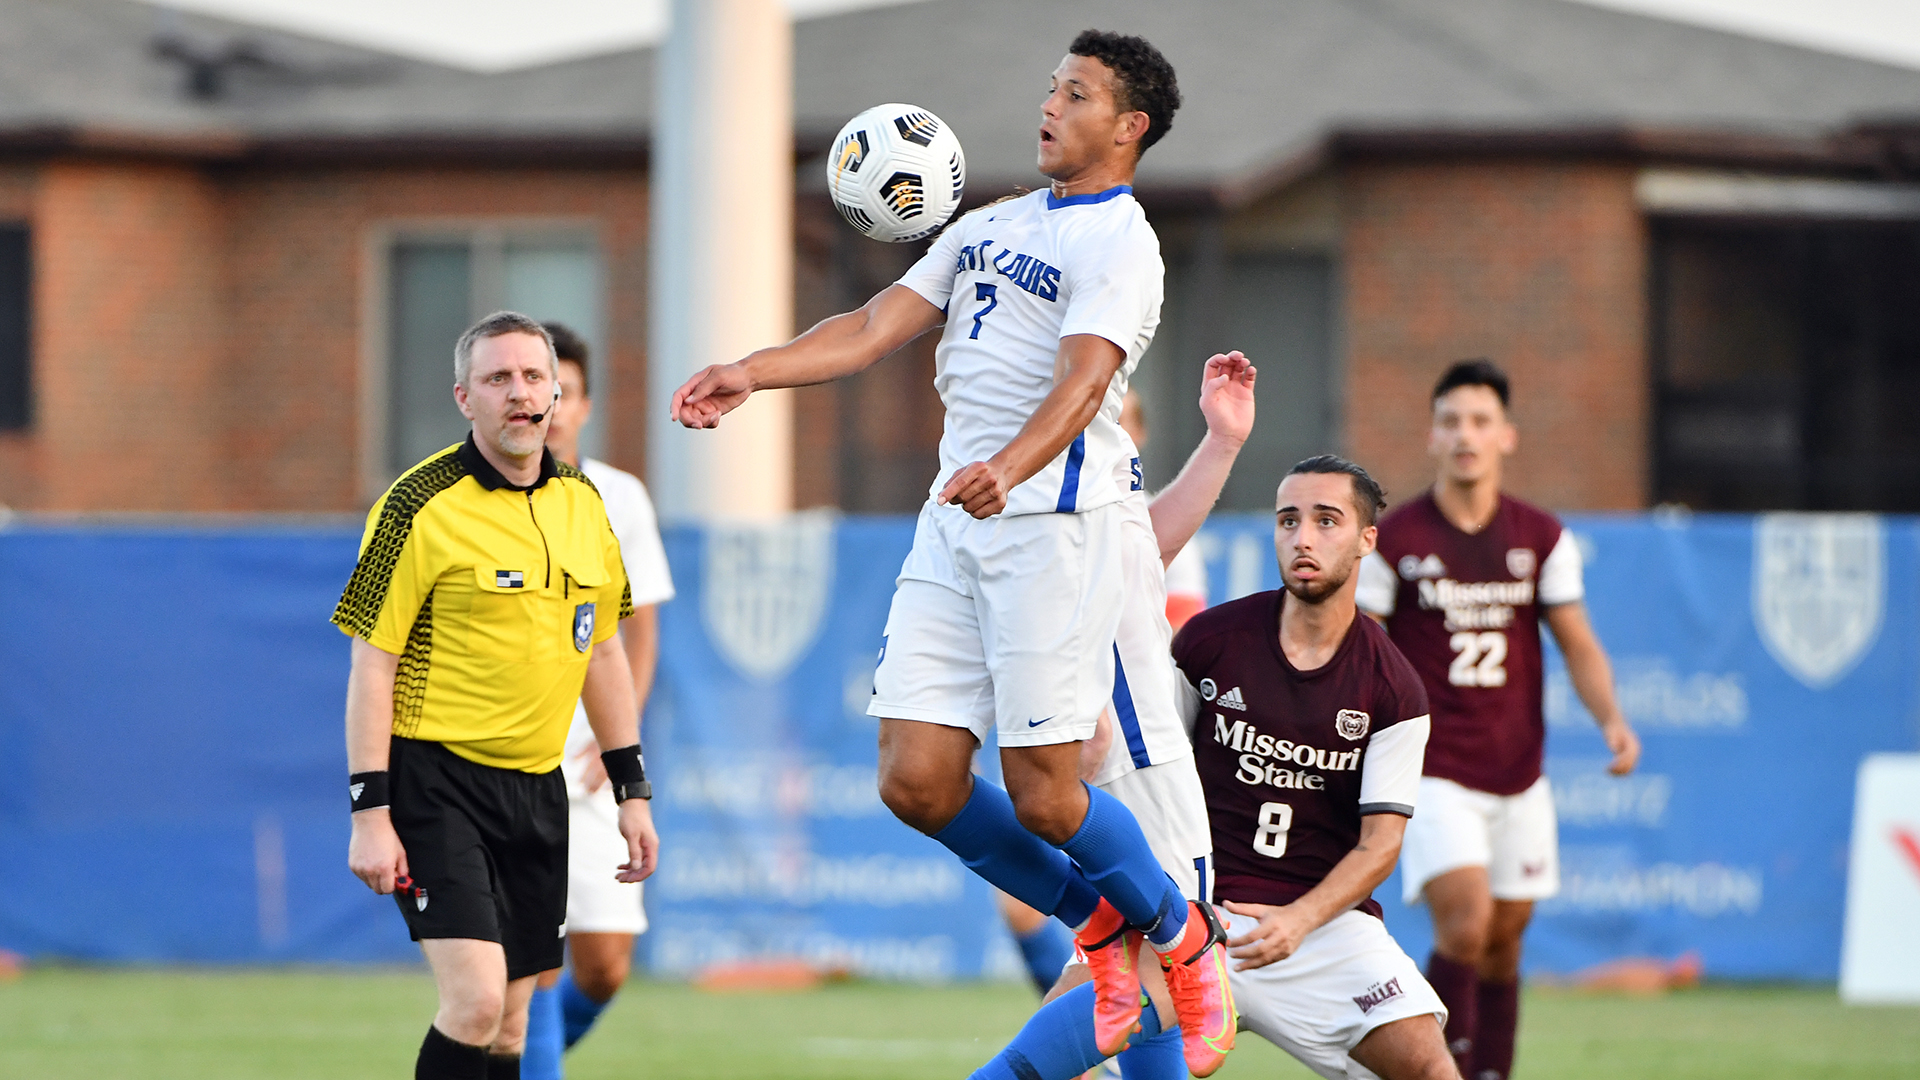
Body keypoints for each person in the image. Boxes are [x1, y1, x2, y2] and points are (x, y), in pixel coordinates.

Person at [671, 29, 1235, 1074]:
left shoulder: (1122, 241)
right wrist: (754, 369)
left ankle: (1181, 938)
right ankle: (1105, 921)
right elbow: (878, 319)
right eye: (1052, 86)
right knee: (916, 781)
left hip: (1048, 534)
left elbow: (1083, 379)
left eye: (1077, 93)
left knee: (1048, 797)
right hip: (957, 522)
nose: (1051, 104)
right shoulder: (990, 224)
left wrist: (1013, 468)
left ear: (1130, 127)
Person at [335, 311, 659, 1080]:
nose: (520, 394)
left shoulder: (586, 505)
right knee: (476, 1004)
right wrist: (370, 815)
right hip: (435, 786)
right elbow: (370, 665)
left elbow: (604, 650)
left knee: (513, 1026)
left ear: (557, 395)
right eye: (498, 379)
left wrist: (632, 791)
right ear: (464, 398)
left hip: (537, 789)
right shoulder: (418, 505)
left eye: (533, 377)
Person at [970, 351, 1255, 1080]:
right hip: (1135, 758)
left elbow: (1141, 562)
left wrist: (1221, 443)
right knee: (1158, 981)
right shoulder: (1047, 480)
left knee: (1135, 978)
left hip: (1121, 755)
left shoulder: (1087, 481)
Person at [1355, 360, 1641, 1080]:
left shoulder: (1541, 536)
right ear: (1432, 434)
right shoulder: (1397, 538)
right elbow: (1361, 650)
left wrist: (1611, 718)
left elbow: (1577, 642)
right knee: (1467, 923)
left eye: (1480, 422)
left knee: (1506, 941)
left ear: (1507, 437)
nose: (1465, 435)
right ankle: (1428, 1067)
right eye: (1451, 421)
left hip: (1519, 772)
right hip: (1436, 767)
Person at [521, 324, 677, 1079]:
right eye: (530, 388)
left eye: (562, 392)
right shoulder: (459, 498)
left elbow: (635, 631)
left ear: (582, 404)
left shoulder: (617, 497)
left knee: (606, 965)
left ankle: (511, 1060)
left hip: (591, 754)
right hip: (510, 757)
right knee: (537, 955)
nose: (547, 407)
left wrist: (619, 747)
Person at [1118, 388, 1210, 630]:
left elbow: (1183, 621)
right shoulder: (1032, 504)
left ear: (1139, 433)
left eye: (1117, 421)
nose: (1105, 432)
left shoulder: (1159, 518)